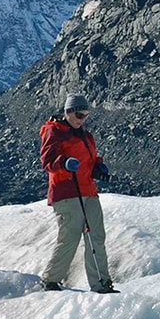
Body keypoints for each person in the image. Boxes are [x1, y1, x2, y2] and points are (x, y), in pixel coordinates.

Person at [39, 94, 118, 293]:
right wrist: (64, 163)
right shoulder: (54, 131)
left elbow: (89, 160)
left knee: (96, 236)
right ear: (68, 112)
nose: (82, 119)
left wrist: (98, 167)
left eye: (85, 115)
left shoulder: (85, 135)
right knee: (70, 235)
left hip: (88, 190)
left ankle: (101, 283)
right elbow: (47, 160)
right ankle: (50, 279)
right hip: (66, 191)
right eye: (79, 114)